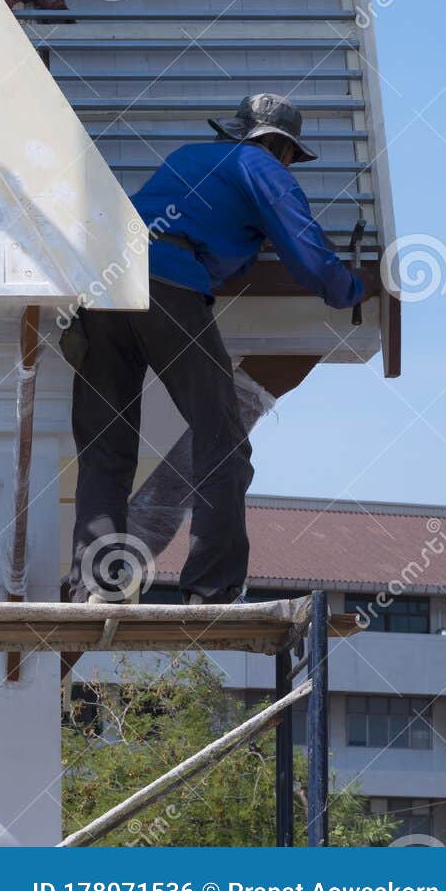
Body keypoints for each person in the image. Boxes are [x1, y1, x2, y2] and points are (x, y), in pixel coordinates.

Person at [66, 94, 371, 604]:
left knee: (106, 448)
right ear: (282, 148)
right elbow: (307, 251)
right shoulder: (260, 165)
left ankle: (96, 586)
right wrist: (351, 288)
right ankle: (211, 589)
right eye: (290, 156)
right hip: (166, 285)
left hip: (102, 286)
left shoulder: (189, 159)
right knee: (222, 442)